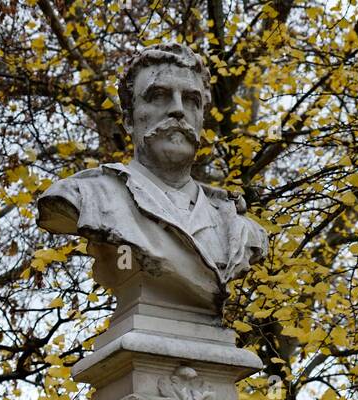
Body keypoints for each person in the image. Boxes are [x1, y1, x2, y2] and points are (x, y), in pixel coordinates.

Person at [37, 43, 268, 307]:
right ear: (129, 120)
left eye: (192, 100)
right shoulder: (87, 198)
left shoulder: (238, 228)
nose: (178, 110)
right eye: (159, 96)